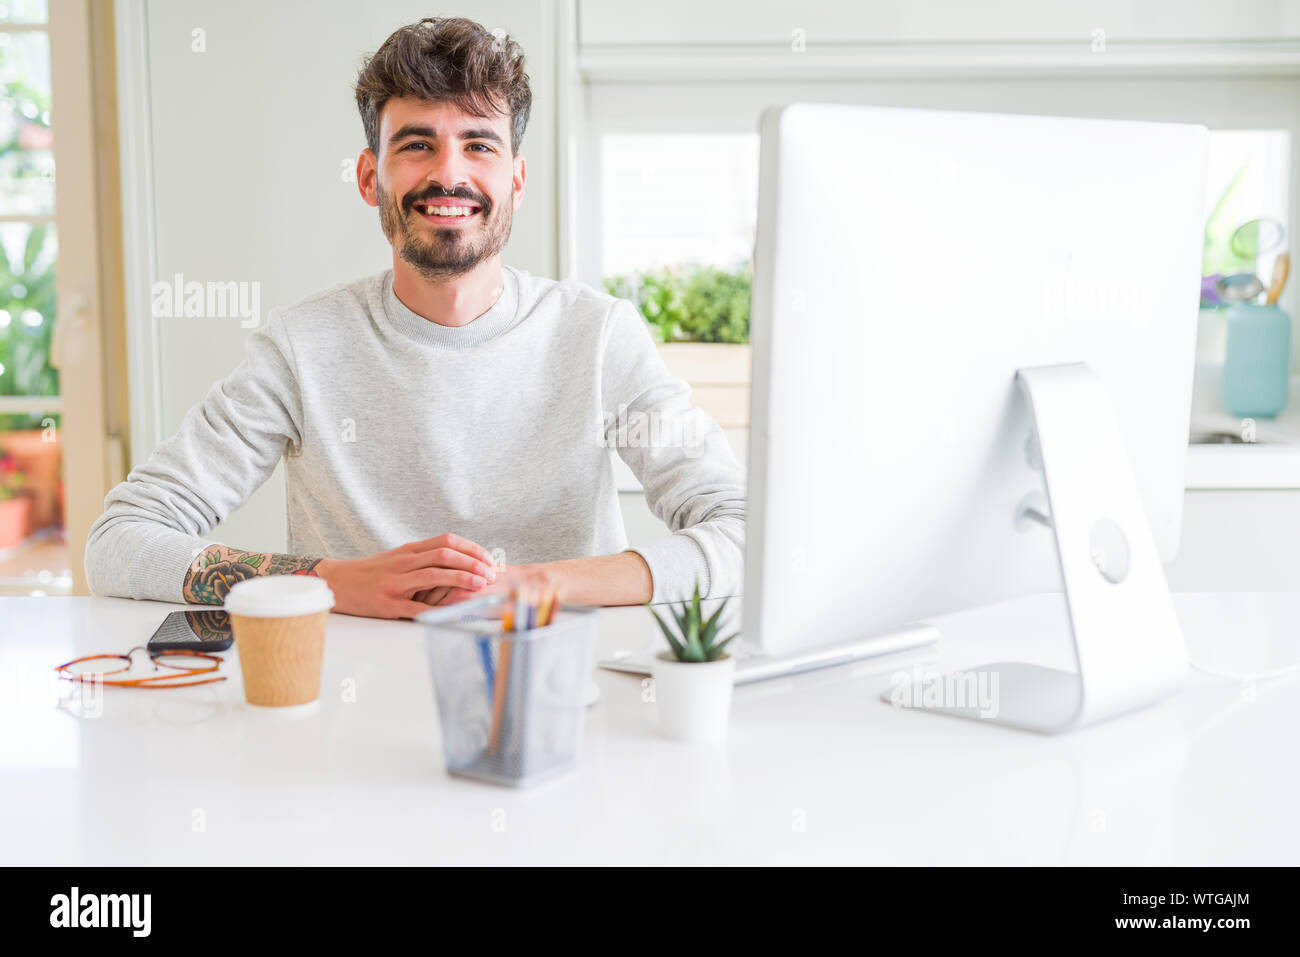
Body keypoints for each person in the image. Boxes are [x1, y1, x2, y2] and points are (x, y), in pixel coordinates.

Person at [84, 16, 746, 620]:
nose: (448, 174)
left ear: (516, 179)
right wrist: (332, 581)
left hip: (552, 699)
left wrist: (531, 586)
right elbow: (119, 541)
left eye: (478, 145)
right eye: (418, 145)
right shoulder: (301, 347)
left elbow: (742, 526)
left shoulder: (598, 337)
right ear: (371, 177)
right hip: (343, 714)